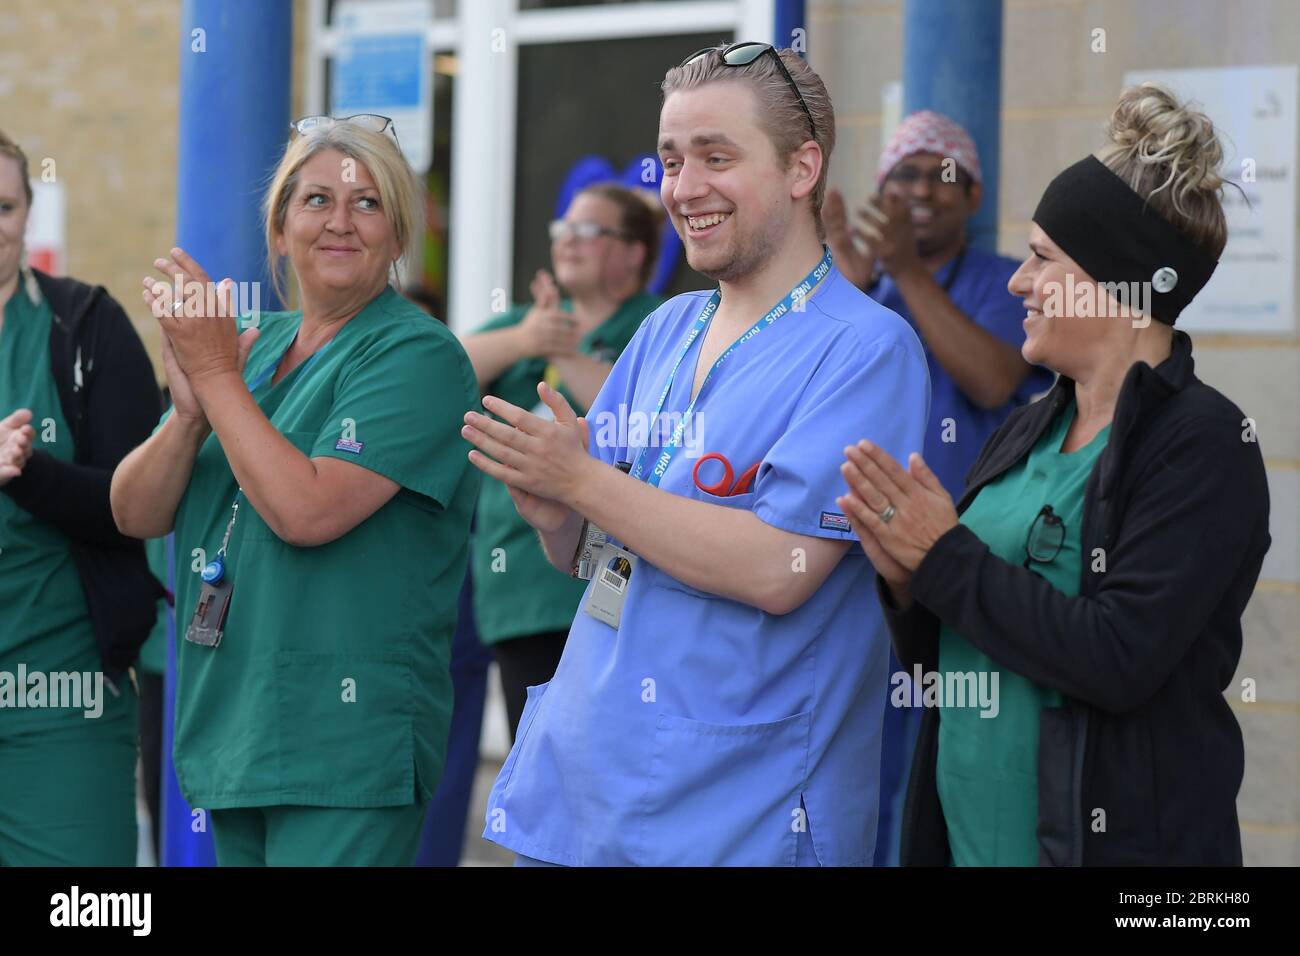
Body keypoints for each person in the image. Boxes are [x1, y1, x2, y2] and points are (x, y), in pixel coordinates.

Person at [462, 43, 928, 866]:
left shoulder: (866, 350)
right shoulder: (666, 330)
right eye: (672, 160)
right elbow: (597, 550)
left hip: (743, 810)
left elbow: (779, 569)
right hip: (587, 791)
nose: (684, 188)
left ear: (801, 167)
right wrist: (556, 516)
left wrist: (582, 482)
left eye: (717, 156)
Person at [839, 84, 1271, 866]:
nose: (1017, 282)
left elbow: (1118, 657)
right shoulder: (1028, 429)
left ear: (1116, 281)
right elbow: (951, 657)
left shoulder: (1204, 444)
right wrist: (907, 581)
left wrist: (943, 557)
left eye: (1042, 258)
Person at [111, 114, 479, 866]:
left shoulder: (418, 355)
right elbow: (135, 510)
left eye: (369, 203)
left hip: (344, 748)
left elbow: (307, 511)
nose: (340, 221)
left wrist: (215, 379)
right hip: (236, 729)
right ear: (279, 232)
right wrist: (188, 417)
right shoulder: (253, 346)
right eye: (316, 201)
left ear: (398, 236)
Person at [824, 110, 1054, 863]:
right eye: (904, 175)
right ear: (881, 191)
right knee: (858, 762)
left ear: (974, 194)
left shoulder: (998, 280)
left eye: (942, 175)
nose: (923, 189)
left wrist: (909, 276)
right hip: (857, 568)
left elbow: (992, 377)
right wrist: (845, 293)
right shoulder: (860, 290)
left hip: (956, 568)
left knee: (935, 769)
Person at [0, 130, 163, 866]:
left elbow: (137, 512)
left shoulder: (88, 328)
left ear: (27, 215)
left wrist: (28, 473)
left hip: (61, 697)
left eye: (3, 205)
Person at [462, 182, 665, 739]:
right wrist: (524, 340)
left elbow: (643, 416)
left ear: (633, 252)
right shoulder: (529, 321)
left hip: (624, 587)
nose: (569, 242)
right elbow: (440, 366)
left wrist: (562, 353)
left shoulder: (662, 324)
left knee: (608, 756)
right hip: (520, 592)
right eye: (563, 229)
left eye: (589, 231)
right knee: (535, 757)